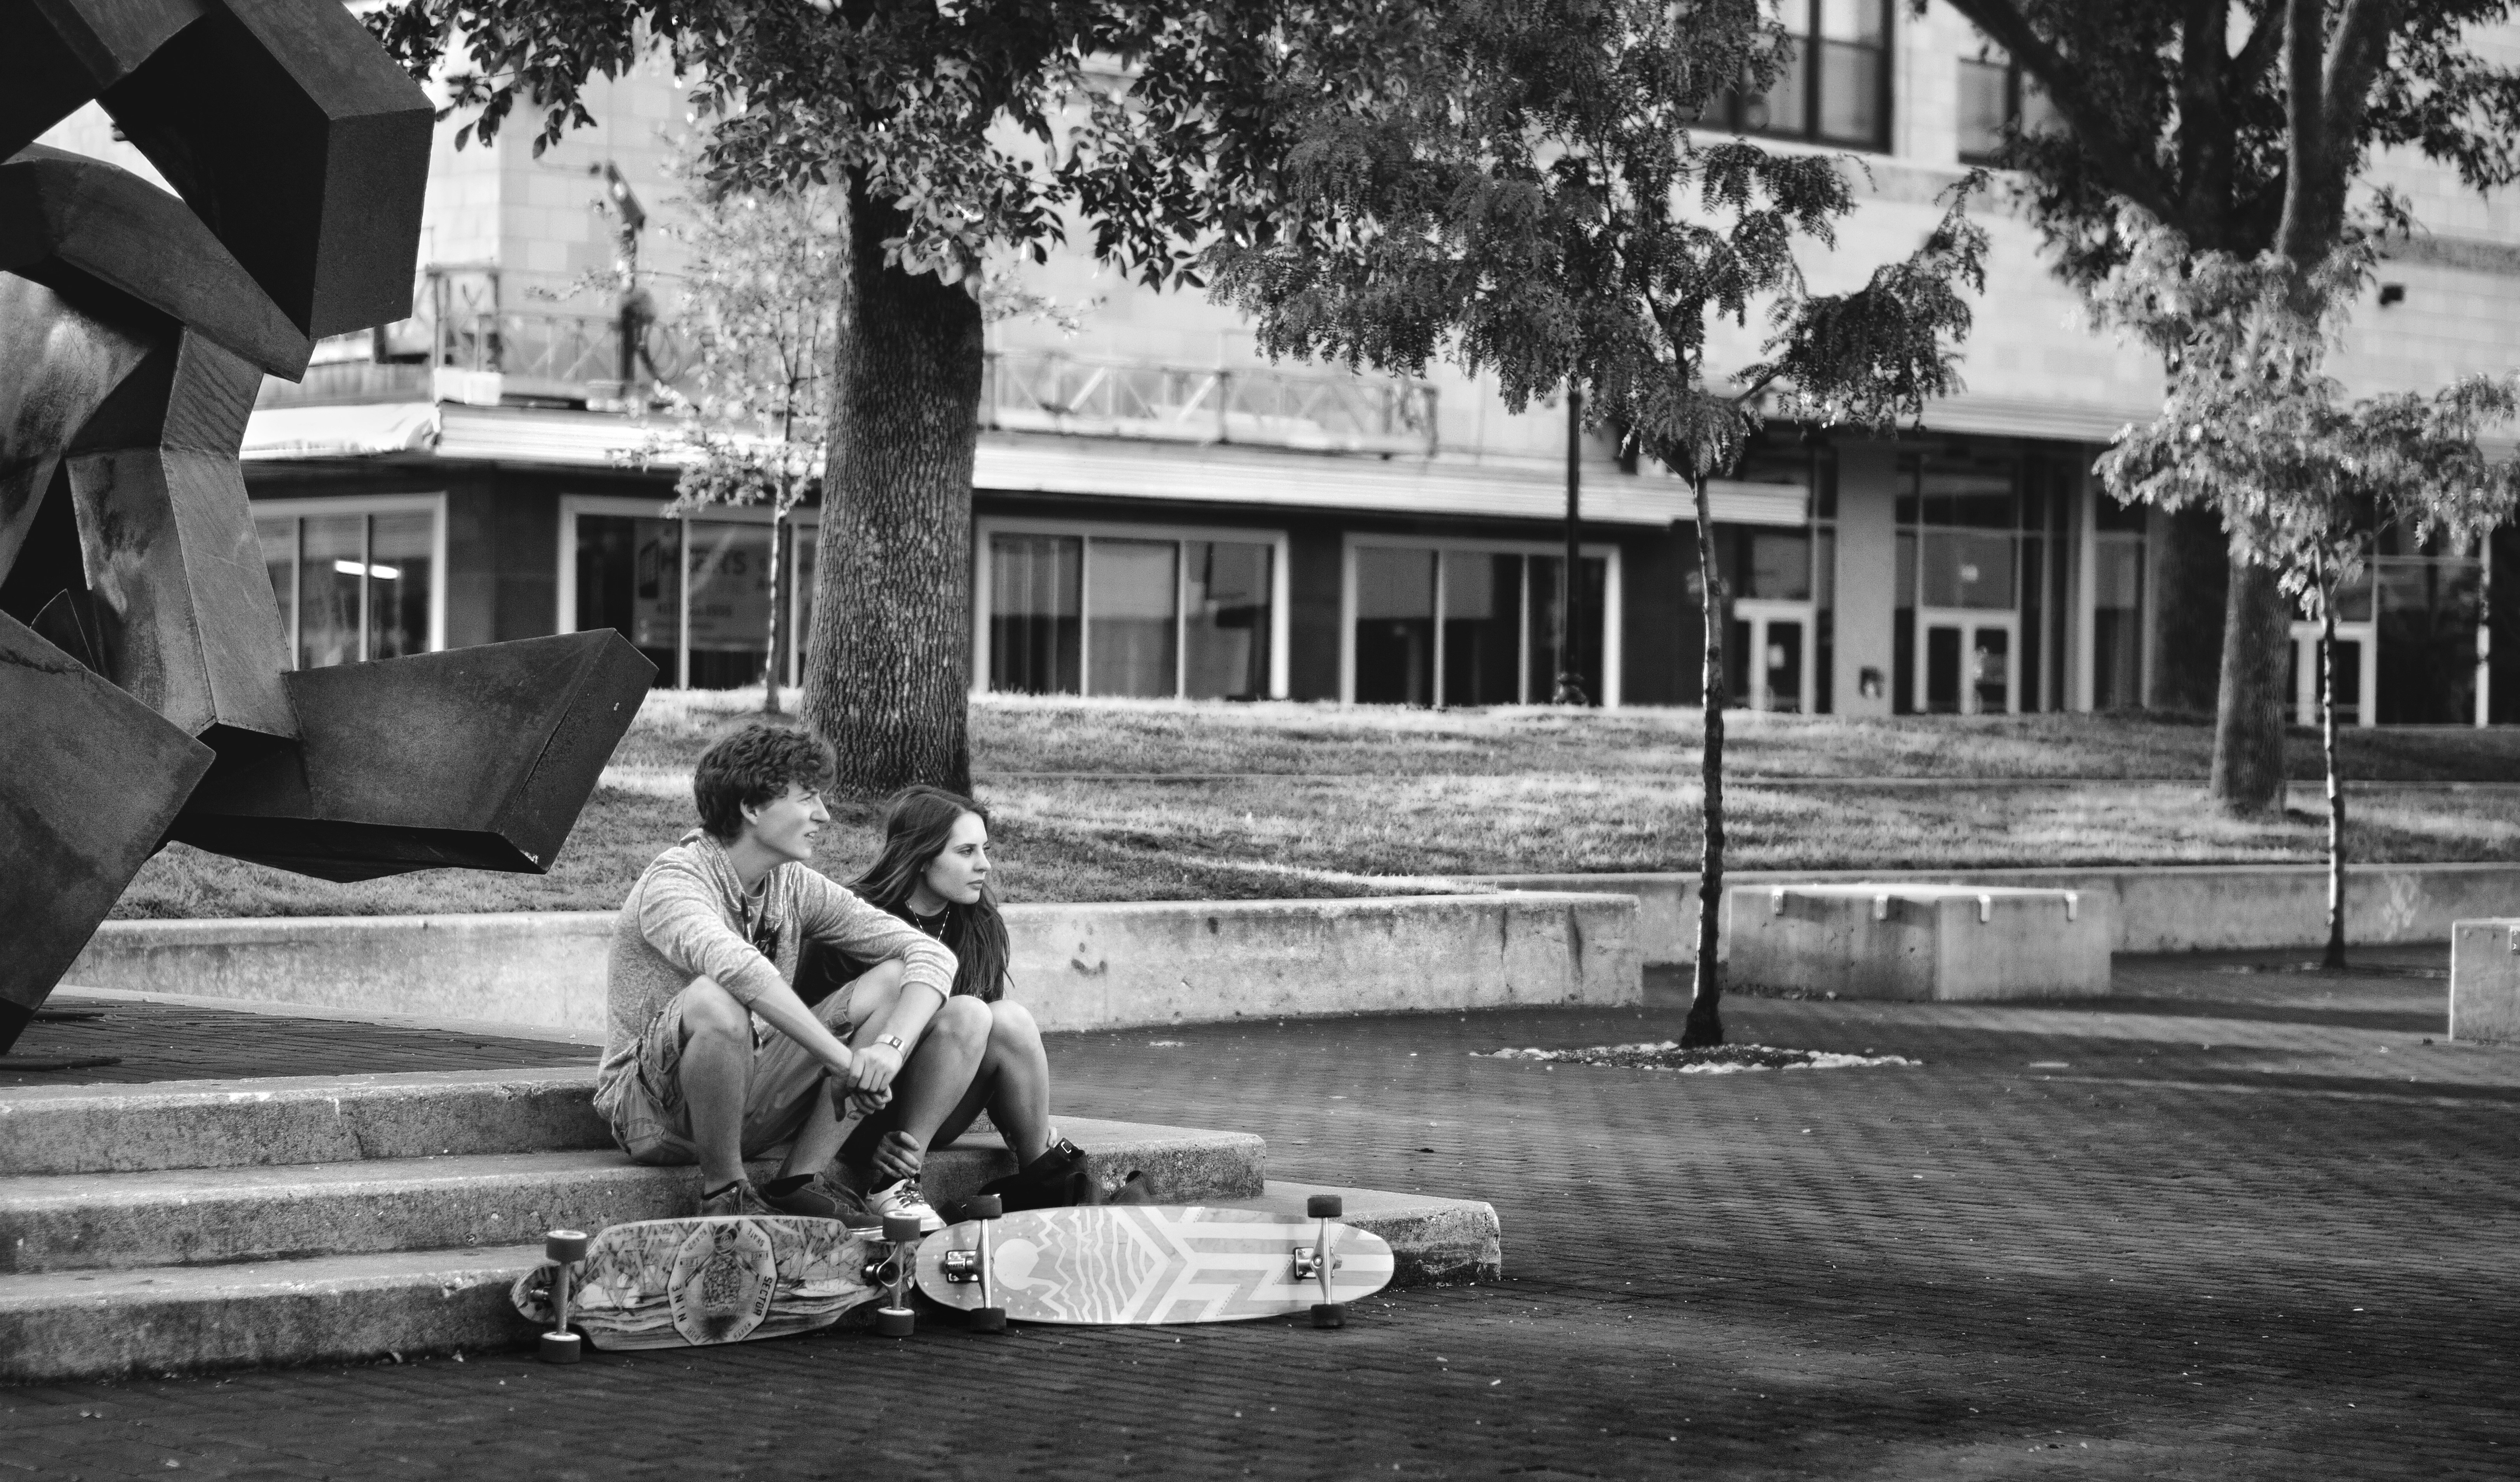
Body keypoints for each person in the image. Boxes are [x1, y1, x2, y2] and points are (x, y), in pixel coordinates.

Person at [593, 724, 961, 1230]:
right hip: (652, 1115)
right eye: (807, 797)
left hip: (753, 1097)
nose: (823, 815)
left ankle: (800, 1180)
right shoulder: (674, 880)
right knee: (716, 996)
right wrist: (842, 1060)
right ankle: (725, 1193)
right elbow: (737, 968)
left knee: (897, 977)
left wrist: (888, 1052)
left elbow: (928, 953)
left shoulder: (791, 884)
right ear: (752, 807)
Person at [828, 785, 1100, 1210]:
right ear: (921, 857)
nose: (985, 865)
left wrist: (1021, 1116)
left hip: (939, 1100)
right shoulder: (854, 914)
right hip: (850, 1104)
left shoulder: (979, 921)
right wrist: (860, 1142)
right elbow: (818, 1043)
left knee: (1009, 1018)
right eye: (967, 852)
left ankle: (1045, 1178)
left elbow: (989, 1040)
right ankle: (896, 1182)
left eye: (985, 849)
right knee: (968, 1012)